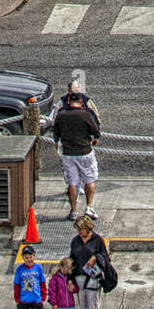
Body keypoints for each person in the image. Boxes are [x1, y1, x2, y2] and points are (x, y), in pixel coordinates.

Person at [54, 90, 101, 221]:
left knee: (72, 183)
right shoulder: (85, 114)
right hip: (85, 152)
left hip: (68, 153)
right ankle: (89, 207)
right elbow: (96, 131)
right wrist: (95, 138)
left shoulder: (61, 115)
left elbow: (56, 133)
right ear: (80, 102)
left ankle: (74, 211)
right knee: (89, 180)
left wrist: (56, 143)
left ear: (69, 102)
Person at [70, 216, 110, 309]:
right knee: (83, 308)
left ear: (88, 228)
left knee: (93, 307)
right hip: (79, 276)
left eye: (81, 229)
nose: (79, 232)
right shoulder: (75, 241)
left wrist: (95, 258)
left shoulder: (97, 240)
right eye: (78, 230)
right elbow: (72, 260)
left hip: (93, 278)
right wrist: (70, 279)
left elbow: (106, 257)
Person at [13, 244, 47, 309]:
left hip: (36, 300)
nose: (29, 260)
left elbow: (42, 283)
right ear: (23, 258)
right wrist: (17, 299)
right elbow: (16, 285)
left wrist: (43, 297)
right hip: (23, 301)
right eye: (26, 258)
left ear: (34, 256)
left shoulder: (38, 268)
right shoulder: (19, 269)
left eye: (31, 257)